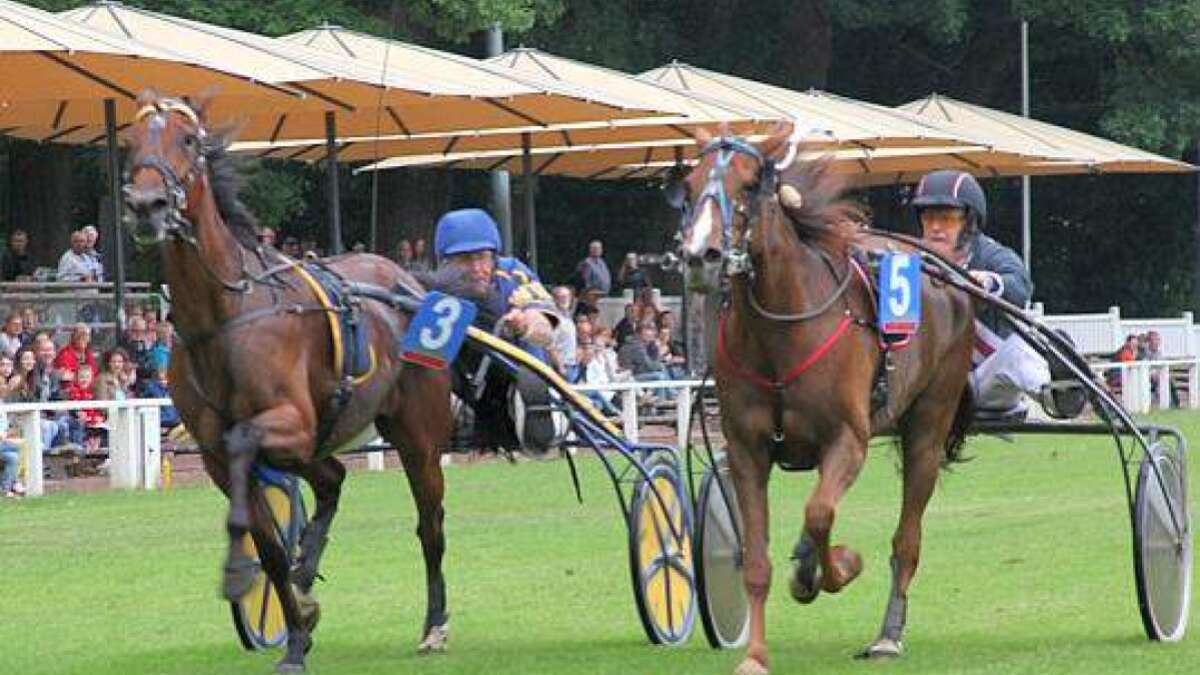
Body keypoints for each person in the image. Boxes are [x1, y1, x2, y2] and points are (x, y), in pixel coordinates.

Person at [912, 169, 1049, 420]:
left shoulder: (990, 254)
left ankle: (1056, 397)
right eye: (928, 217)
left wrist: (988, 282)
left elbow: (1020, 285)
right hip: (924, 389)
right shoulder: (907, 261)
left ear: (969, 222)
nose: (935, 227)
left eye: (946, 218)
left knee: (1020, 347)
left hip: (977, 386)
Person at [432, 208, 559, 454]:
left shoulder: (513, 274)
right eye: (465, 260)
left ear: (494, 256)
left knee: (531, 349)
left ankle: (536, 418)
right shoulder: (436, 291)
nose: (477, 267)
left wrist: (525, 323)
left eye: (482, 257)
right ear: (446, 263)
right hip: (463, 374)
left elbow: (548, 326)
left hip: (514, 371)